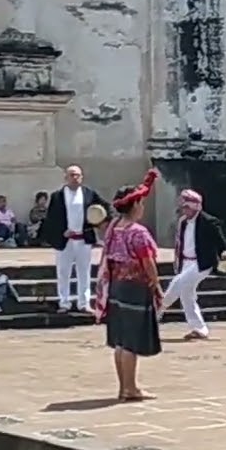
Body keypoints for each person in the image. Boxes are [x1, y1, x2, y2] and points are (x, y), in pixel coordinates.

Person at [92, 170, 163, 401]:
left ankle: (124, 386)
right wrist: (156, 285)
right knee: (131, 340)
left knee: (121, 341)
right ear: (135, 206)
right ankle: (130, 387)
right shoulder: (138, 233)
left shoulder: (114, 228)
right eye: (140, 203)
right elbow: (147, 262)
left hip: (117, 286)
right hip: (134, 287)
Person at [41, 165, 111, 314]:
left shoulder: (89, 194)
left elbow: (105, 208)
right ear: (66, 177)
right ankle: (64, 302)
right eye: (72, 175)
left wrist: (100, 222)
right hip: (65, 241)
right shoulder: (57, 196)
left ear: (82, 177)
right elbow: (51, 219)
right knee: (63, 272)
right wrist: (61, 232)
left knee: (84, 272)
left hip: (83, 239)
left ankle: (84, 303)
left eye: (78, 175)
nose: (75, 178)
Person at [159, 189, 225, 340]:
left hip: (201, 263)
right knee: (186, 295)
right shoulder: (183, 222)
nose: (184, 210)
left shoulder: (209, 221)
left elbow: (221, 242)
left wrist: (215, 257)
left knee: (177, 283)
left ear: (195, 206)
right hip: (186, 262)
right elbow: (180, 243)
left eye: (187, 207)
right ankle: (199, 328)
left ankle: (157, 310)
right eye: (183, 207)